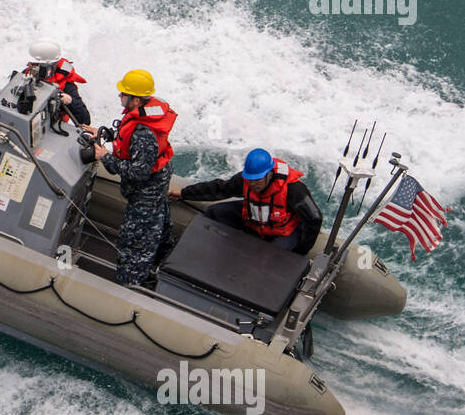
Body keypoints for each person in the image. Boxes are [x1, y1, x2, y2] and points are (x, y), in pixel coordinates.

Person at [82, 69, 176, 287]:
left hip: (146, 191)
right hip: (156, 185)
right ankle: (158, 262)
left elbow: (138, 172)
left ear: (135, 100)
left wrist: (105, 157)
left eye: (123, 93)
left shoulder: (144, 133)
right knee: (159, 227)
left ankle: (131, 287)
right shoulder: (142, 115)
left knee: (133, 245)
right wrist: (110, 135)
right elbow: (129, 141)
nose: (119, 96)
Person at [168, 148, 323, 255]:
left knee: (275, 258)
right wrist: (184, 193)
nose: (253, 184)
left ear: (269, 174)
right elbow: (219, 189)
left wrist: (301, 250)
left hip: (281, 231)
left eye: (257, 180)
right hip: (254, 220)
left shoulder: (293, 189)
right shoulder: (246, 180)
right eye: (250, 179)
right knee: (215, 212)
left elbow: (314, 218)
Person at [24, 38, 90, 126]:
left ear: (46, 66)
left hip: (52, 125)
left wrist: (70, 101)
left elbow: (85, 120)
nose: (28, 66)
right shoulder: (28, 73)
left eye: (34, 64)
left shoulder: (67, 86)